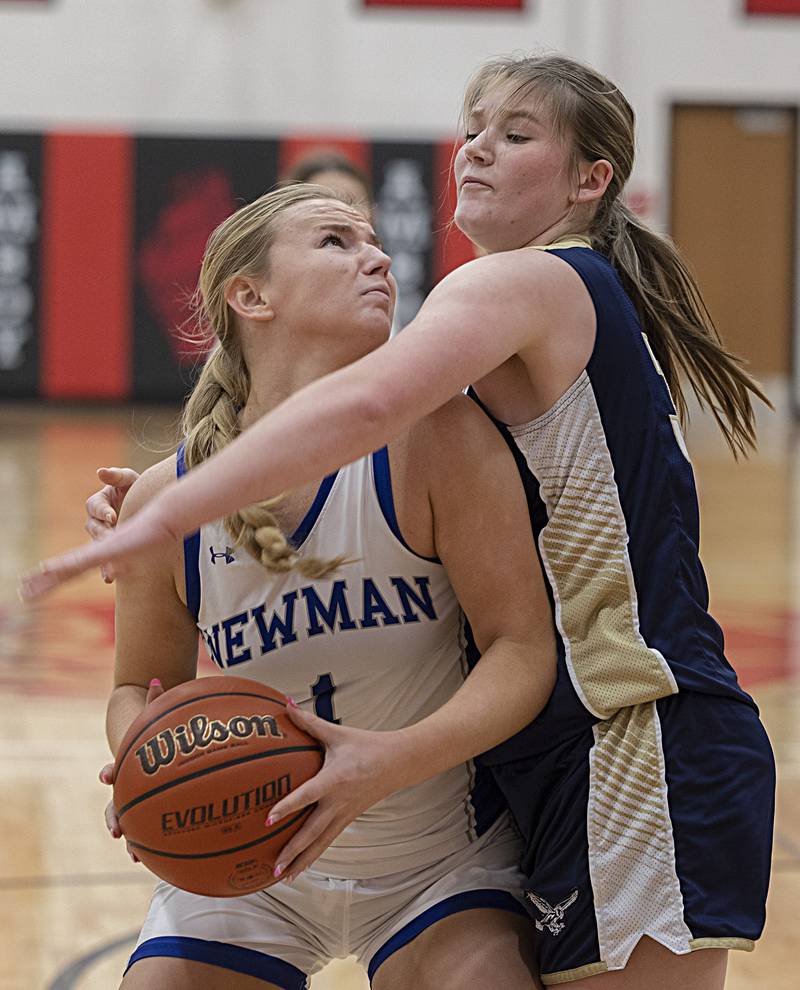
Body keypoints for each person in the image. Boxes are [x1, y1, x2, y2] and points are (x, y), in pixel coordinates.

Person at [25, 53, 776, 990]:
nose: (476, 150)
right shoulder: (524, 304)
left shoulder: (514, 288)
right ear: (245, 298)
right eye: (472, 129)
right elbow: (306, 431)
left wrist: (167, 507)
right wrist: (170, 496)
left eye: (515, 134)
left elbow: (364, 409)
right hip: (565, 745)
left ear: (592, 182)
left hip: (633, 726)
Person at [92, 181, 557, 989]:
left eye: (376, 242)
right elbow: (139, 683)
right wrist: (143, 761)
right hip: (248, 869)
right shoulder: (165, 502)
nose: (377, 256)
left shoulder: (434, 435)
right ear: (251, 294)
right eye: (337, 242)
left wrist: (388, 762)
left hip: (437, 865)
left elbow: (521, 650)